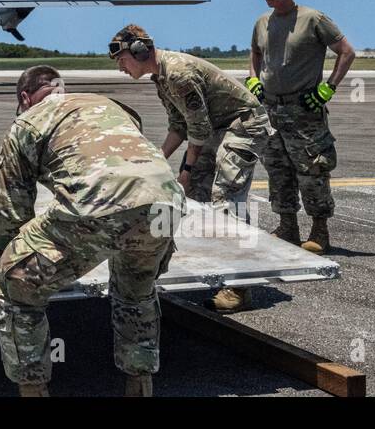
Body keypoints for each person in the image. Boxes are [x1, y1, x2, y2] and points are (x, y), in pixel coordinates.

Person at [0, 66, 185, 396]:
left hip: (99, 204)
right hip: (166, 205)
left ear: (24, 98)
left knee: (14, 281)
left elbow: (11, 213)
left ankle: (33, 390)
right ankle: (139, 387)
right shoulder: (108, 105)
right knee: (135, 291)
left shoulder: (26, 123)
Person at [111, 24, 269, 312]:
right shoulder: (160, 78)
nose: (121, 68)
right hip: (216, 128)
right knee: (195, 197)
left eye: (122, 61)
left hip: (243, 125)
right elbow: (179, 125)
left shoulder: (179, 74)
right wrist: (156, 161)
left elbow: (198, 127)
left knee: (226, 201)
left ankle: (239, 286)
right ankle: (212, 270)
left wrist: (185, 171)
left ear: (139, 51)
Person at [246, 0, 357, 254]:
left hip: (303, 110)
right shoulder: (262, 22)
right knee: (277, 170)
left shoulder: (312, 19)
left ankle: (320, 232)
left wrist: (328, 88)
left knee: (312, 169)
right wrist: (254, 79)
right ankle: (287, 227)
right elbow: (255, 53)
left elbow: (347, 52)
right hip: (271, 110)